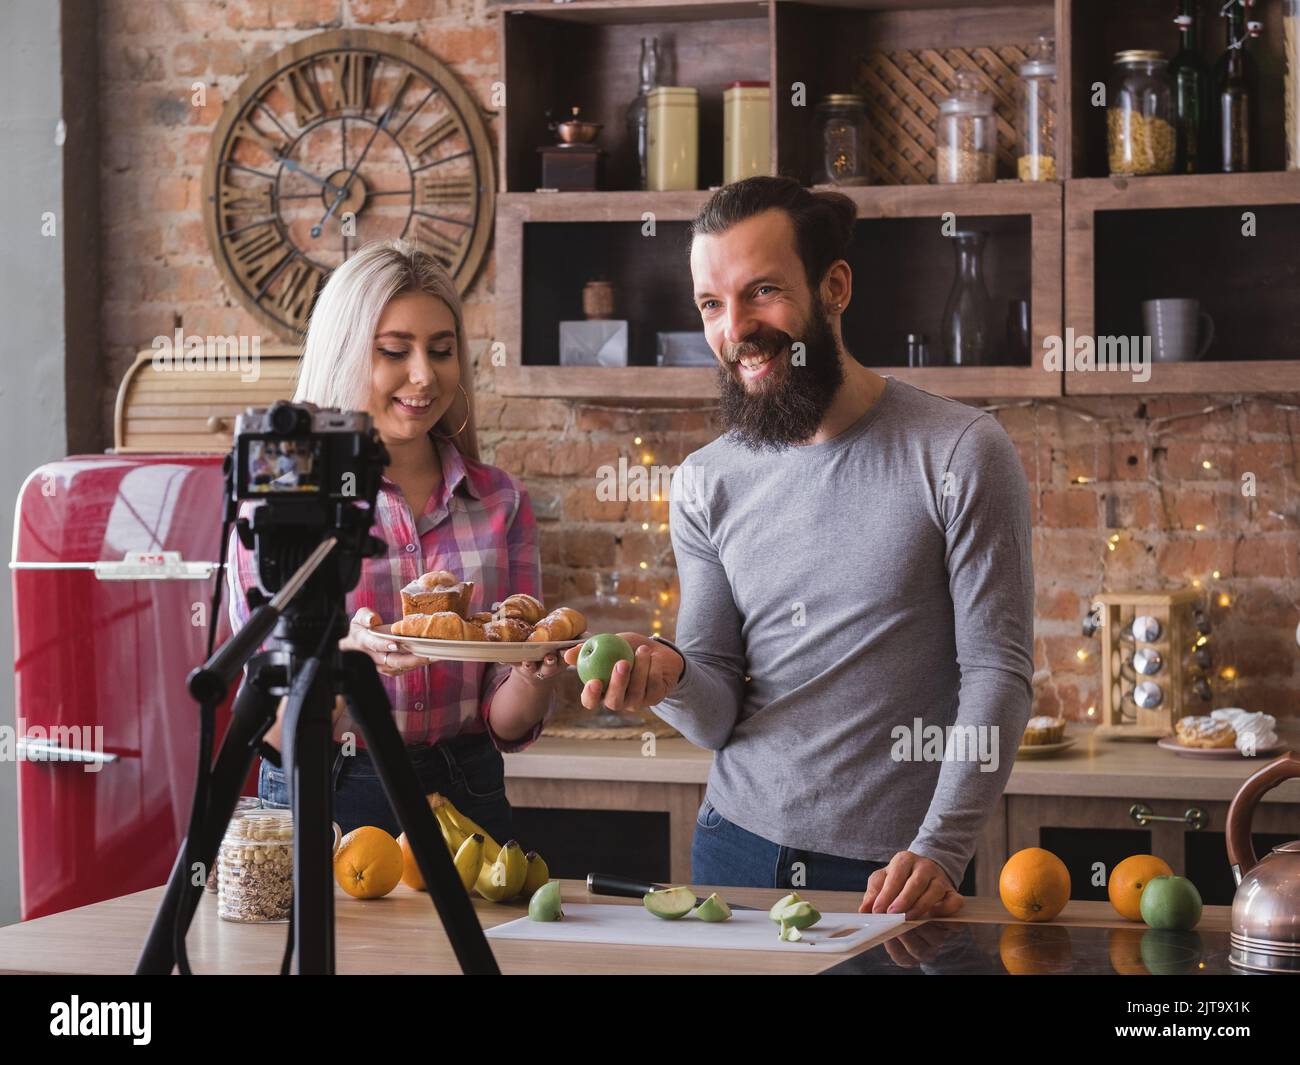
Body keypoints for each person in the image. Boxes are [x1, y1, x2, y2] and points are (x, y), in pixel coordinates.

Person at [563, 176, 1034, 920]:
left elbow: (996, 673)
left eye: (763, 292)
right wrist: (672, 675)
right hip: (733, 848)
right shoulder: (705, 481)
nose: (736, 329)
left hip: (893, 873)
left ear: (835, 286)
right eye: (713, 304)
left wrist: (940, 847)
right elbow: (717, 707)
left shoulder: (960, 452)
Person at [229, 239, 565, 843]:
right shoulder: (287, 499)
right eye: (393, 351)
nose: (423, 375)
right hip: (329, 786)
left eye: (442, 350)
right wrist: (340, 660)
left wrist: (536, 670)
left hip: (466, 790)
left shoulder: (500, 501)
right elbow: (277, 735)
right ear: (344, 352)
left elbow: (505, 721)